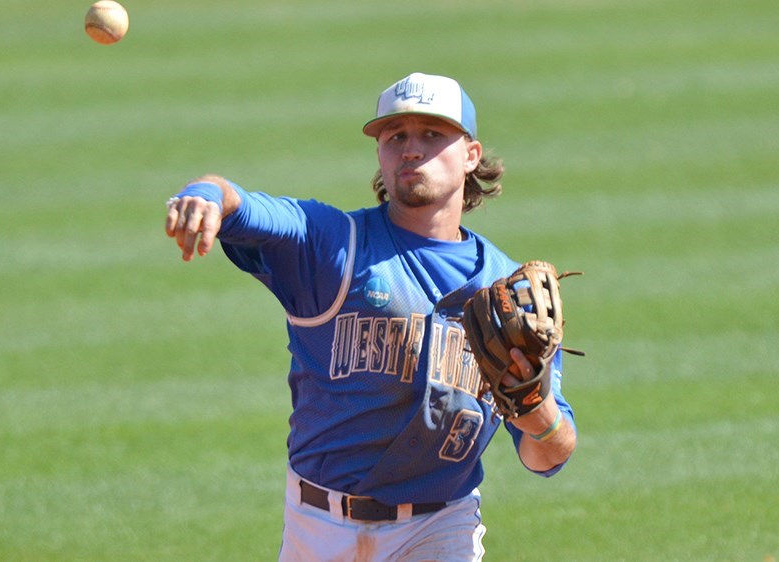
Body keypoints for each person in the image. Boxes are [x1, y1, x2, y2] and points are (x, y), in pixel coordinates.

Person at [164, 72, 577, 561]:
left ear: (470, 154)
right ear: (380, 152)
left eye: (431, 134)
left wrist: (535, 405)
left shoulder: (510, 292)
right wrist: (206, 196)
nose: (411, 149)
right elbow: (239, 202)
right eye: (395, 136)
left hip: (441, 528)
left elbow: (548, 455)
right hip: (318, 528)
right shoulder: (331, 244)